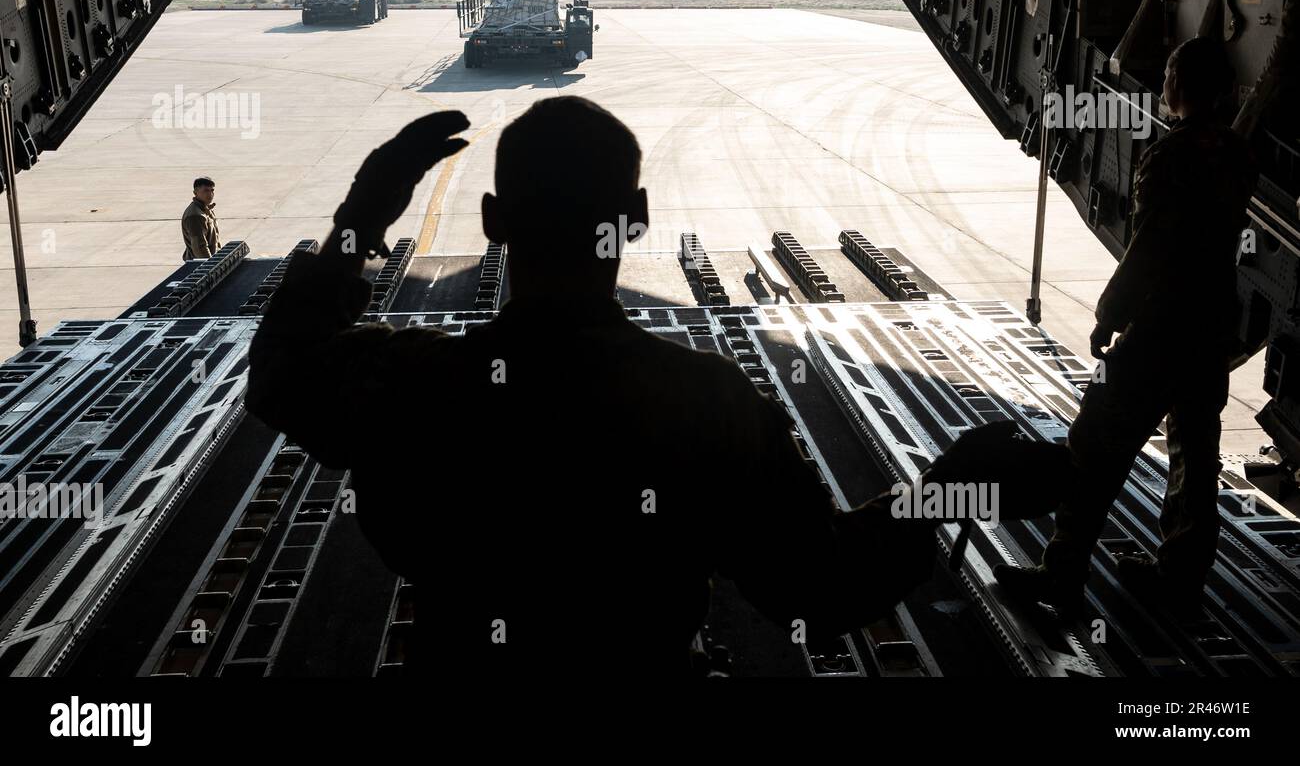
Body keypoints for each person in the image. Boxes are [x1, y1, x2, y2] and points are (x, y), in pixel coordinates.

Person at [246, 96, 1066, 673]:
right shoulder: (706, 403)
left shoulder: (412, 381)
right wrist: (952, 490)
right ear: (633, 217)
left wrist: (364, 213)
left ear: (493, 224)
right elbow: (820, 587)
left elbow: (280, 373)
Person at [996, 37, 1258, 614]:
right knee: (1195, 455)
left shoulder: (1169, 157)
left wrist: (1108, 316)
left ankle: (1061, 574)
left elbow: (1149, 250)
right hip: (1210, 332)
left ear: (1179, 84)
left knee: (1094, 446)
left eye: (1167, 73)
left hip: (1159, 332)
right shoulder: (1237, 153)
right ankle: (1179, 582)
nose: (1162, 83)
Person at [182, 176, 220, 261]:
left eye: (212, 190)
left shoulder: (206, 209)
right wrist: (210, 267)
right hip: (199, 267)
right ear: (195, 192)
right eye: (206, 190)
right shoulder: (195, 215)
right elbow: (199, 248)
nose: (210, 194)